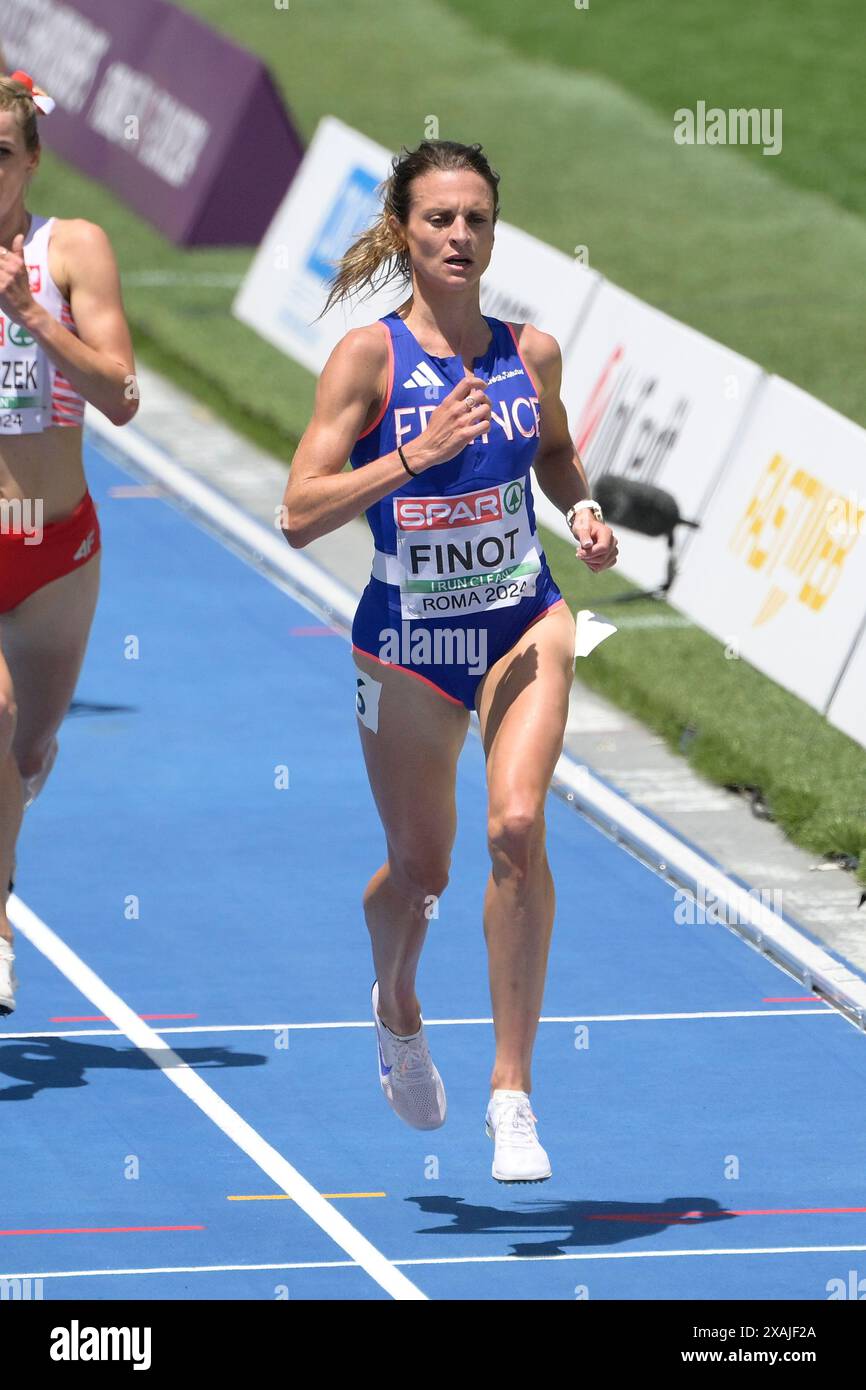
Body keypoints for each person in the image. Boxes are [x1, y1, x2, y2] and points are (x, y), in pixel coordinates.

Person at [281, 139, 618, 1182]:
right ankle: (395, 1002)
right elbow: (298, 510)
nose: (459, 236)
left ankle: (510, 1093)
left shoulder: (532, 352)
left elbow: (553, 448)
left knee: (515, 827)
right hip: (409, 644)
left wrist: (581, 507)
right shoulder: (367, 361)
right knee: (420, 871)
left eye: (475, 217)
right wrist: (411, 457)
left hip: (521, 618)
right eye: (438, 219)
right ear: (403, 232)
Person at [0, 71, 139, 1014]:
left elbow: (122, 396)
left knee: (31, 748)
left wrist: (31, 315)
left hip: (59, 544)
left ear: (31, 160)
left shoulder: (72, 249)